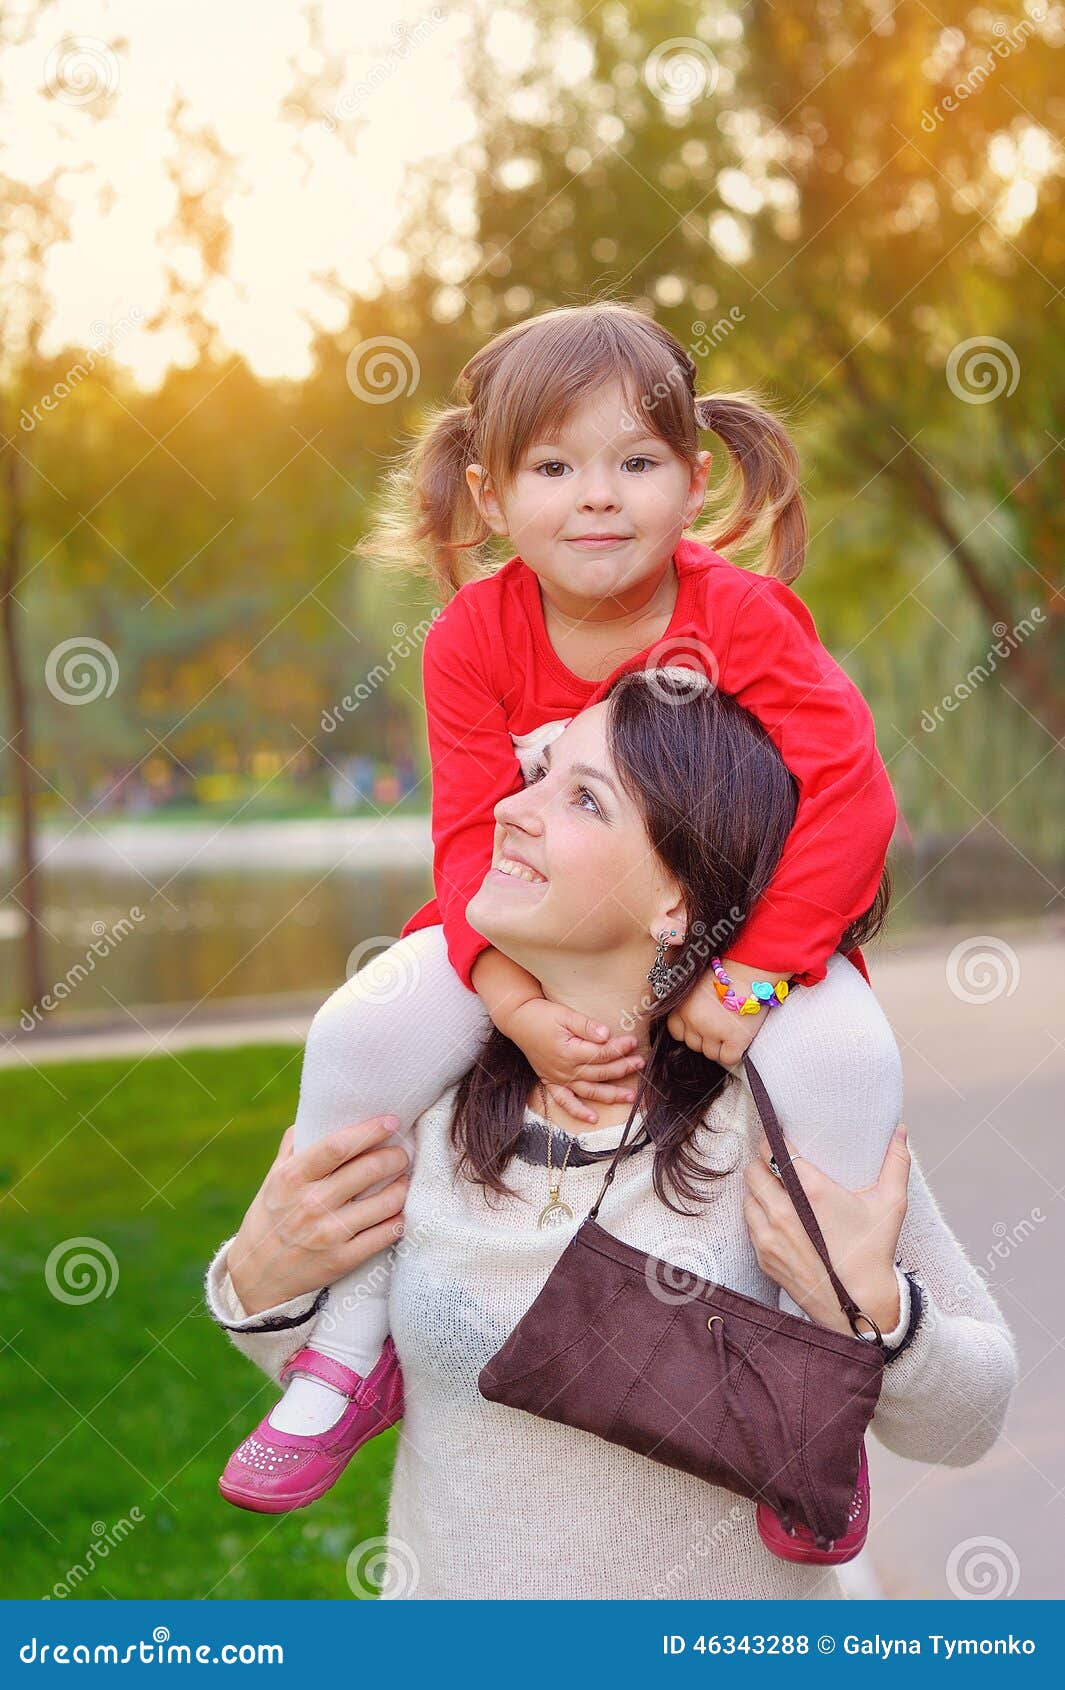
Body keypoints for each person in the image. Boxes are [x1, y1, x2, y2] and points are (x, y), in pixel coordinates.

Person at [215, 299, 900, 1517]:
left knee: (847, 1055)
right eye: (554, 466)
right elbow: (472, 844)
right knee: (363, 1029)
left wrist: (751, 976)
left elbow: (850, 796)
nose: (597, 496)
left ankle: (814, 1374)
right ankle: (352, 1335)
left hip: (750, 933)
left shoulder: (738, 618)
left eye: (635, 463)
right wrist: (512, 1005)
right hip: (530, 937)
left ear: (692, 483)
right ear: (490, 494)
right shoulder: (471, 641)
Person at [204, 675, 1018, 1599]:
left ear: (678, 898)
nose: (510, 810)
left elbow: (963, 1425)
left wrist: (870, 1307)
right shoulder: (429, 1094)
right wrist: (260, 1286)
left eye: (583, 798)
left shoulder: (780, 1123)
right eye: (534, 776)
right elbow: (355, 1372)